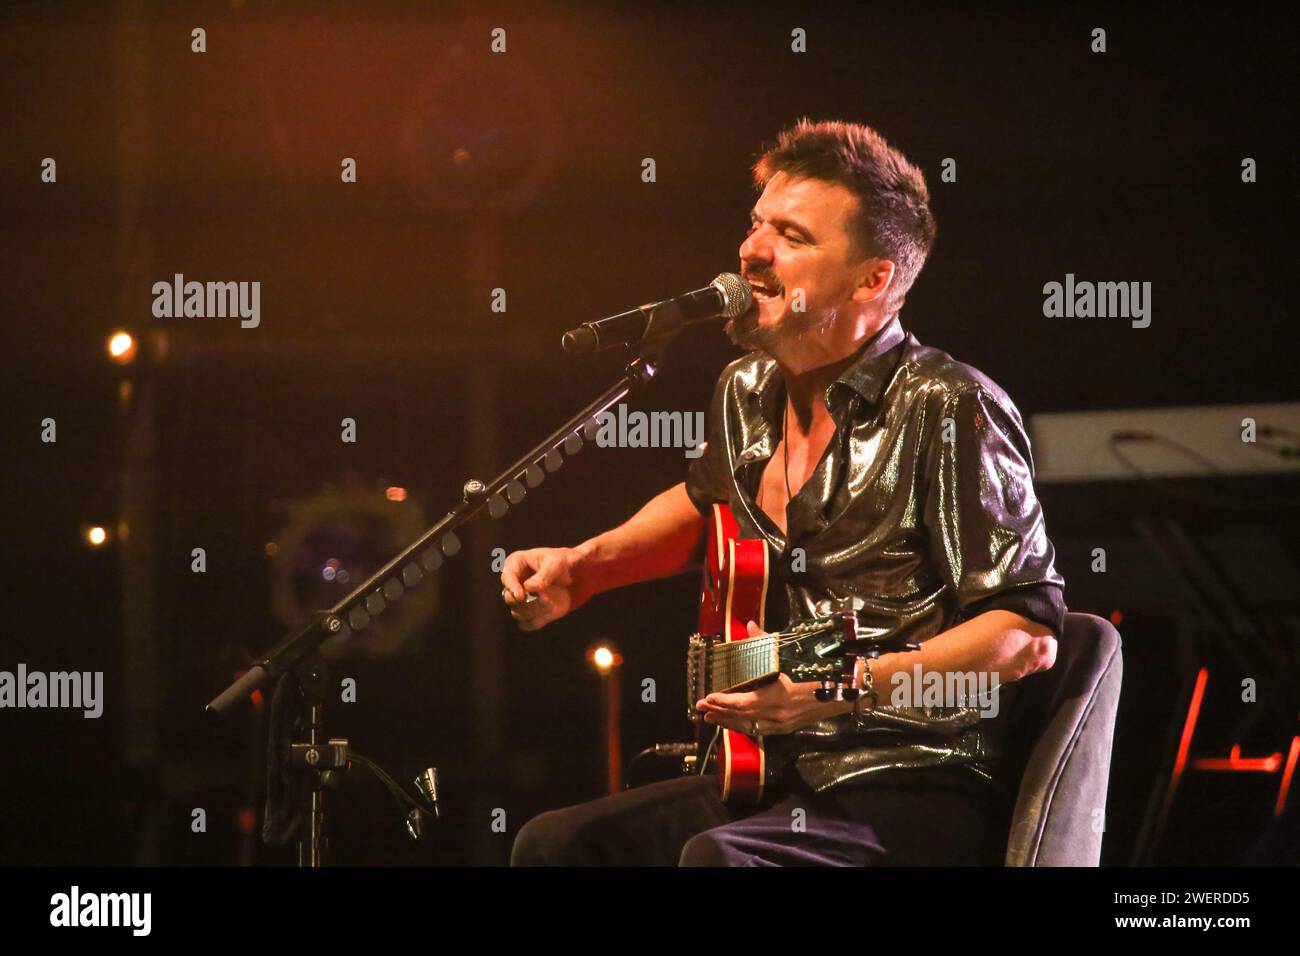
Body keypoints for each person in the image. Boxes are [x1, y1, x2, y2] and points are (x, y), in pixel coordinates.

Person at [502, 119, 1066, 866]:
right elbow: (708, 507)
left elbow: (1024, 638)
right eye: (756, 223)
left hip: (916, 780)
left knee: (719, 861)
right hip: (766, 772)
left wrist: (843, 690)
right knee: (558, 846)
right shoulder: (745, 389)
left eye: (792, 236)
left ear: (874, 279)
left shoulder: (948, 405)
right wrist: (586, 567)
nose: (751, 250)